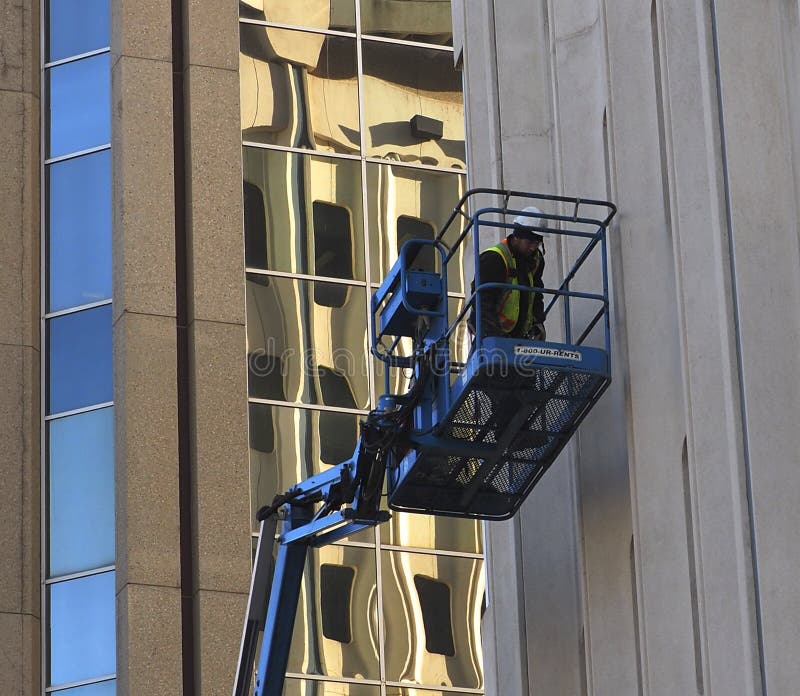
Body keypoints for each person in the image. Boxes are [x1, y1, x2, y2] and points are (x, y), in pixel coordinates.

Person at [473, 206, 548, 341]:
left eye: (537, 243)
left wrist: (538, 323)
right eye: (529, 242)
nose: (533, 247)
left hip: (520, 336)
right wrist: (494, 337)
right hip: (493, 334)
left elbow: (536, 295)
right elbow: (482, 301)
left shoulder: (536, 260)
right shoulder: (495, 258)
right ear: (517, 237)